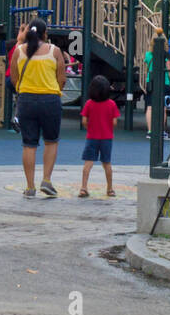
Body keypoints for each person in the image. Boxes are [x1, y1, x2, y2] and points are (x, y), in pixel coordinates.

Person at [14, 17, 67, 198]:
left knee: (29, 144)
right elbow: (62, 79)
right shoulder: (55, 51)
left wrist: (23, 91)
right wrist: (54, 91)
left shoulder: (19, 51)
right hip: (50, 100)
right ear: (45, 34)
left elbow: (14, 78)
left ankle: (30, 187)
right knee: (51, 141)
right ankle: (46, 180)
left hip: (26, 100)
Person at [78, 74, 118, 198]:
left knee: (88, 164)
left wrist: (89, 128)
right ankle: (110, 188)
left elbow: (84, 121)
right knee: (107, 163)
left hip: (92, 137)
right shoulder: (111, 104)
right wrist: (108, 129)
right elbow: (114, 122)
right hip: (106, 138)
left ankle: (83, 188)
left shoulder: (89, 103)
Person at [143, 41, 170, 136]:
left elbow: (147, 64)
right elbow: (169, 70)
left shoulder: (148, 55)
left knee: (150, 107)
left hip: (151, 82)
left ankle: (150, 131)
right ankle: (161, 131)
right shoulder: (166, 56)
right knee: (163, 108)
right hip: (164, 82)